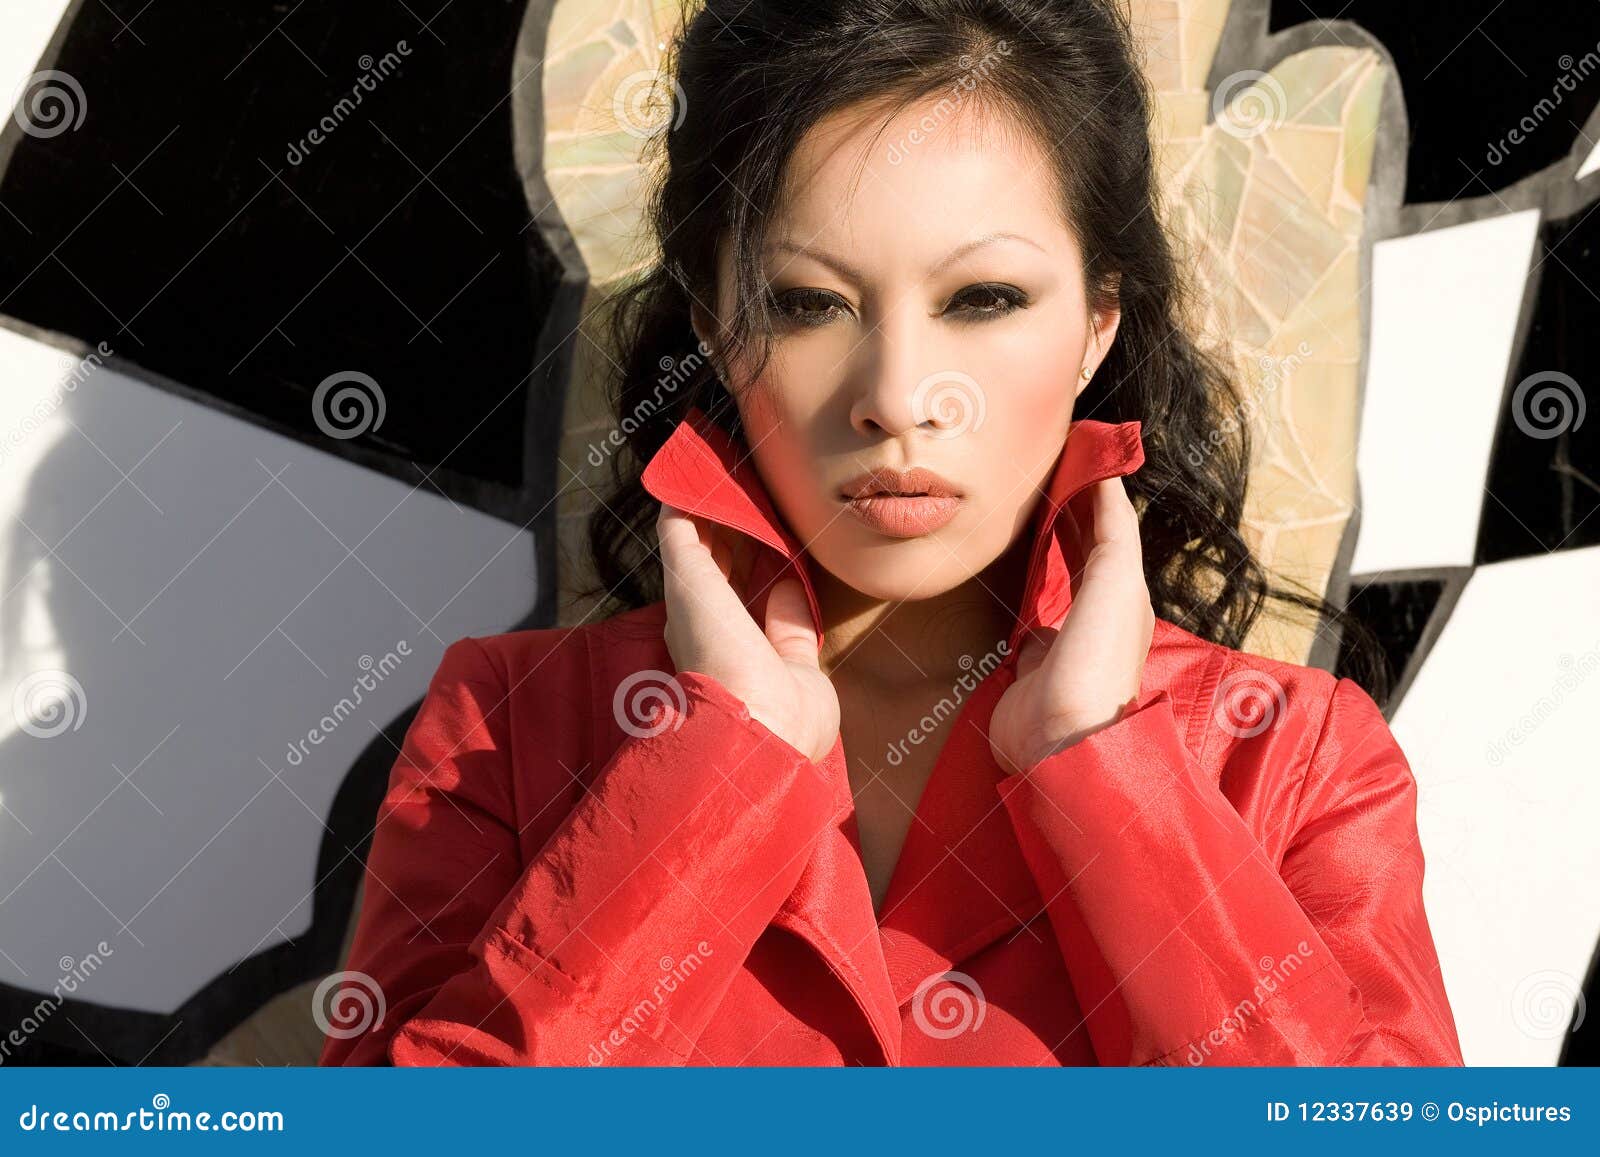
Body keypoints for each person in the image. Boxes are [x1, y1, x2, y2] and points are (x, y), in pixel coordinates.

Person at [319, 0, 1463, 1066]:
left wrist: (1108, 773)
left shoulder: (1295, 760)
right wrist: (716, 775)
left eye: (983, 299)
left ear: (1095, 325)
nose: (900, 395)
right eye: (811, 303)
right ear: (716, 324)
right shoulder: (507, 734)